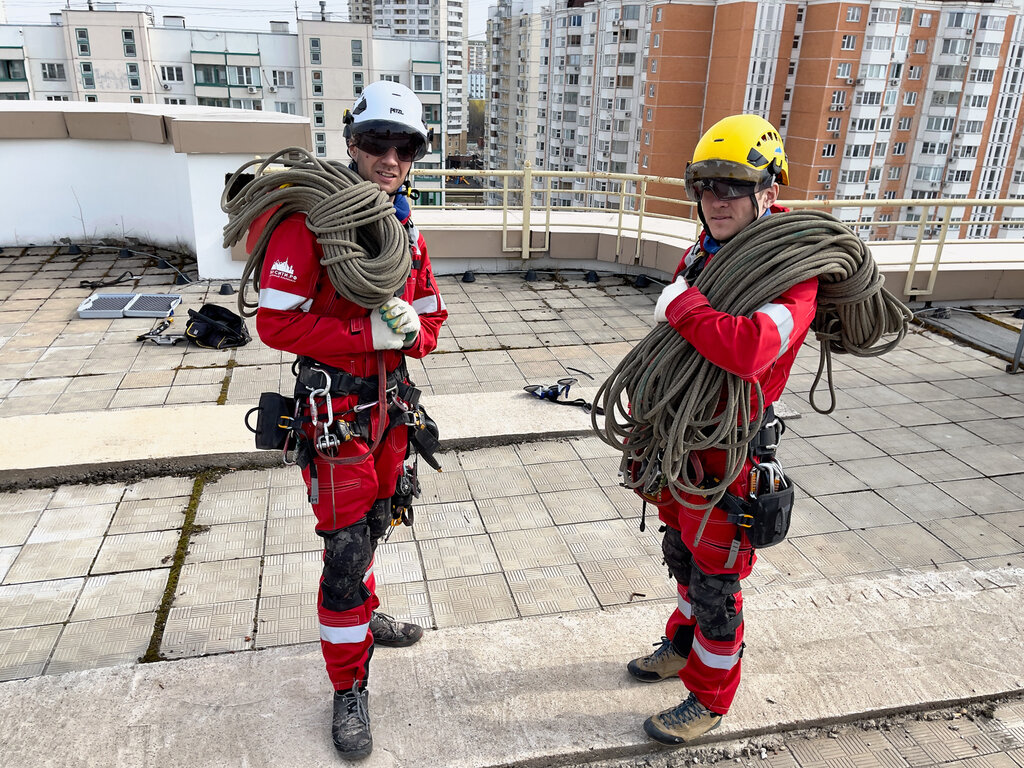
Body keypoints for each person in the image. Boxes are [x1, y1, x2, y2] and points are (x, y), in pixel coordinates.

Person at [250, 81, 447, 759]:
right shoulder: (312, 219)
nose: (389, 157)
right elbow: (275, 322)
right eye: (375, 143)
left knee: (377, 524)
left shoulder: (404, 226)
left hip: (392, 411)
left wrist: (412, 334)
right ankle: (348, 688)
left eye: (404, 146)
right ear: (351, 144)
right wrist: (370, 332)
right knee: (343, 559)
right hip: (336, 415)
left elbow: (432, 318)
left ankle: (366, 616)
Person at [627, 115, 818, 744]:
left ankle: (709, 699)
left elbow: (750, 348)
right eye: (705, 185)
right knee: (682, 555)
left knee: (717, 582)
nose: (717, 200)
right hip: (683, 445)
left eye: (733, 186)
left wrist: (681, 305)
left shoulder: (792, 272)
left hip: (728, 455)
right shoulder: (701, 252)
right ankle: (682, 646)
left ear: (767, 191)